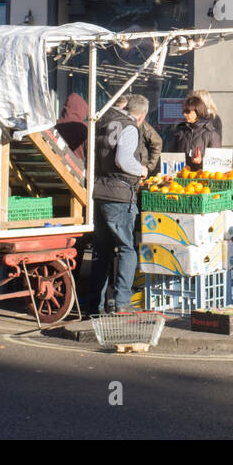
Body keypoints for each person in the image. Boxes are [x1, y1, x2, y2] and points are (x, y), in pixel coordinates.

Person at [87, 96, 148, 315]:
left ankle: (95, 305)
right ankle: (122, 302)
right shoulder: (130, 128)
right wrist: (141, 170)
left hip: (99, 192)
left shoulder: (105, 121)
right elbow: (124, 160)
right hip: (120, 195)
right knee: (127, 249)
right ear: (141, 116)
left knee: (101, 252)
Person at [172, 94, 219, 172]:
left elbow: (217, 163)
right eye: (183, 111)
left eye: (187, 111)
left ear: (197, 111)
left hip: (201, 179)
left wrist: (200, 162)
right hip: (181, 177)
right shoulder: (181, 131)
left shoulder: (211, 133)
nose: (184, 114)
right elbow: (172, 155)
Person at [126, 94, 163, 178]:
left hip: (139, 169)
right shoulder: (121, 123)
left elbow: (157, 142)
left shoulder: (143, 126)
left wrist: (149, 167)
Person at [53, 92, 89, 163]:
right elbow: (90, 153)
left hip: (54, 163)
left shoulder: (54, 124)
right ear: (82, 110)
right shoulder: (84, 128)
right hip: (76, 169)